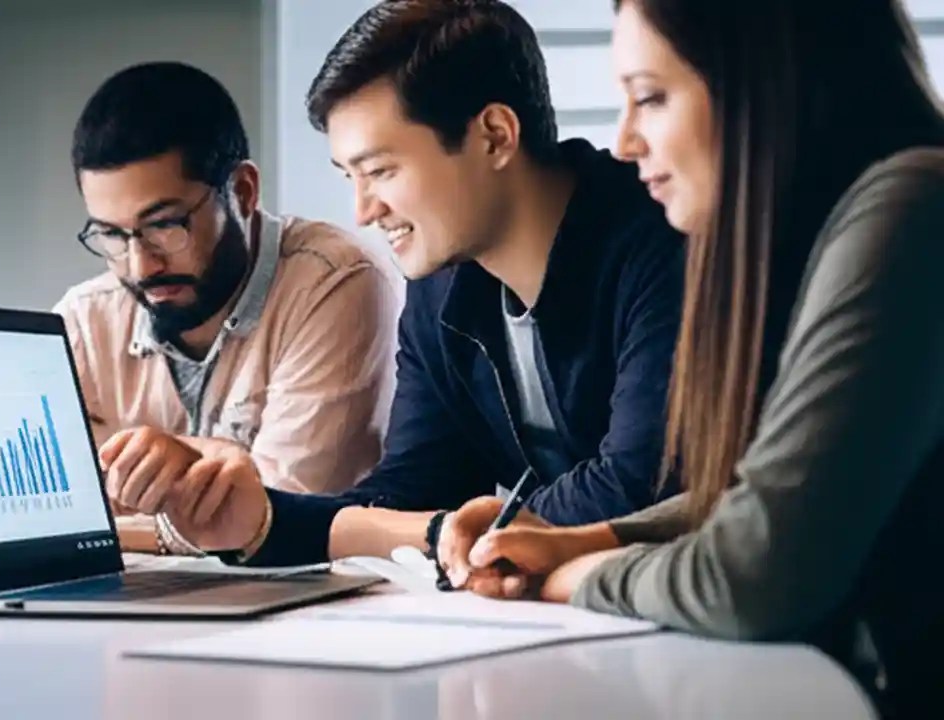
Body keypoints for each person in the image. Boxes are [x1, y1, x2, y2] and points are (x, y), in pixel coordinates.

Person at [438, 0, 944, 714]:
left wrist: (571, 573)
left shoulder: (911, 211)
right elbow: (750, 500)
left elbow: (754, 572)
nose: (622, 141)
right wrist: (571, 539)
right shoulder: (822, 240)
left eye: (650, 97)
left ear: (766, 81)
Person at [115, 0, 685, 566]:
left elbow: (634, 490)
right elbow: (409, 491)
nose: (363, 211)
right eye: (350, 177)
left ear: (493, 136)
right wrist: (261, 519)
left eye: (381, 171)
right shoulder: (440, 287)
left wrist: (451, 534)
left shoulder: (664, 238)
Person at [56, 62, 400, 554]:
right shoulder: (86, 320)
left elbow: (282, 515)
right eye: (111, 234)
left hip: (307, 607)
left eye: (165, 225)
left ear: (241, 191)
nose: (140, 265)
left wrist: (104, 530)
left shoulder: (335, 283)